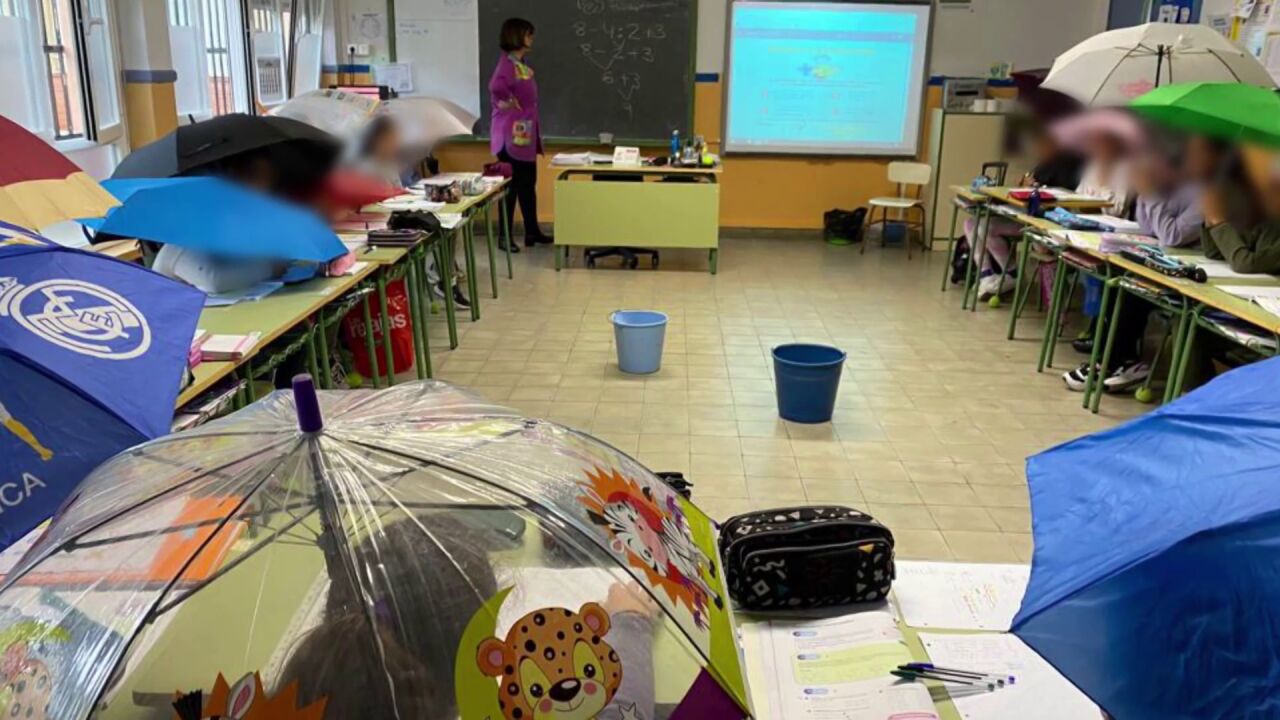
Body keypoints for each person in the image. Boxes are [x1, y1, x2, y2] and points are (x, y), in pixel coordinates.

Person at [1063, 132, 1206, 394]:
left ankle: (1110, 362)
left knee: (1130, 293)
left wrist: (1151, 195)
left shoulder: (1205, 193)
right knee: (1119, 284)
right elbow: (1147, 226)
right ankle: (1119, 361)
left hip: (1192, 272)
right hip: (1162, 260)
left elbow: (1173, 235)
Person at [968, 127, 1084, 300]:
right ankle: (988, 275)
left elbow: (1058, 194)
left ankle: (1011, 274)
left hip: (1045, 220)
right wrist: (1024, 183)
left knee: (985, 228)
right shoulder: (1047, 161)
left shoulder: (1072, 165)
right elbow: (1030, 182)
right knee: (972, 223)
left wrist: (1033, 187)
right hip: (1025, 214)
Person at [490, 17, 552, 250]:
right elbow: (495, 87)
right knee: (512, 187)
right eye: (528, 34)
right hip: (511, 137)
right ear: (516, 36)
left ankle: (532, 231)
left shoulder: (519, 62)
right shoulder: (506, 65)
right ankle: (504, 237)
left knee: (528, 183)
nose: (531, 38)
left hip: (523, 134)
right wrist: (506, 102)